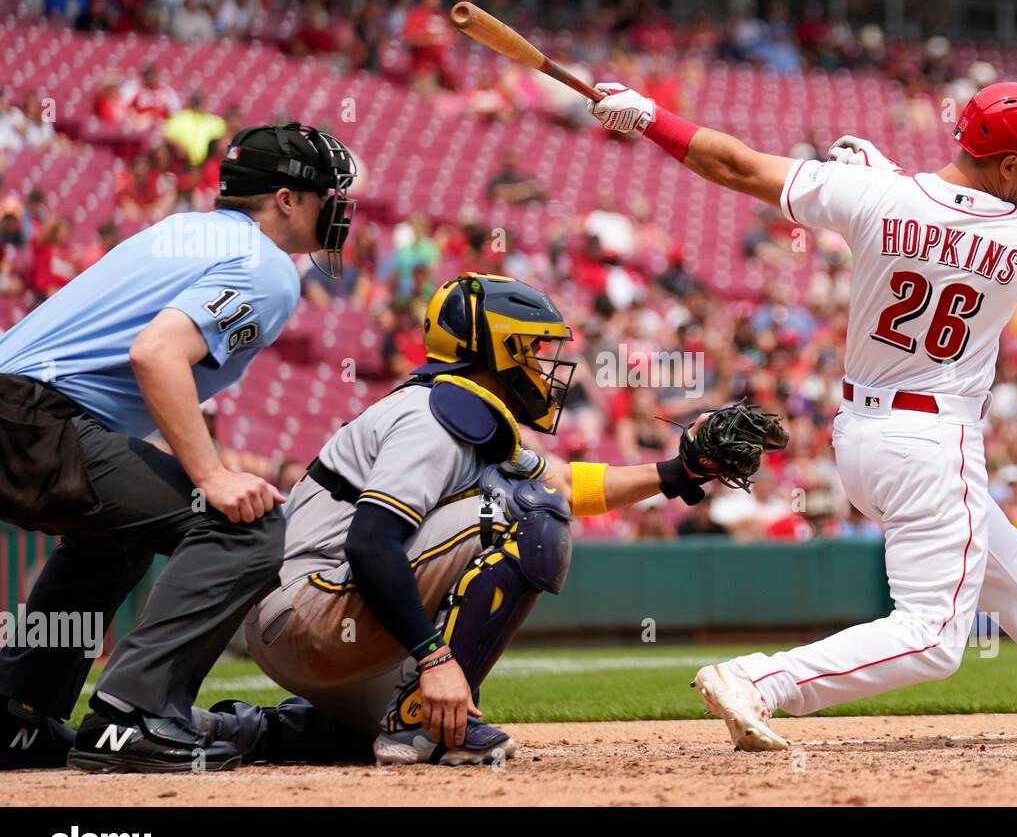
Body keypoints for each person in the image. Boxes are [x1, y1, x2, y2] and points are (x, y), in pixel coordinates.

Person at [587, 80, 1017, 750]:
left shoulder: (875, 197)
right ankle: (762, 680)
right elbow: (942, 217)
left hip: (862, 438)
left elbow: (739, 165)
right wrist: (881, 171)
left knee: (1008, 575)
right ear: (1008, 165)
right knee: (933, 639)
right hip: (933, 439)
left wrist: (651, 118)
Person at [192, 273, 783, 765]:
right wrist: (435, 659)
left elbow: (568, 485)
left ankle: (241, 730)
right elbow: (372, 542)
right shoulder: (433, 418)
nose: (545, 366)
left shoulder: (465, 412)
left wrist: (674, 474)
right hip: (311, 609)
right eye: (532, 348)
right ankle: (421, 715)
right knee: (530, 513)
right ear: (497, 350)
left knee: (357, 741)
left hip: (319, 624)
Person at [0, 122, 358, 773]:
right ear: (285, 199)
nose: (338, 207)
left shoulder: (183, 233)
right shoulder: (270, 267)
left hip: (23, 413)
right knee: (247, 527)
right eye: (327, 193)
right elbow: (156, 352)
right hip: (33, 421)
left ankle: (14, 714)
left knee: (117, 536)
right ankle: (131, 714)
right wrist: (212, 475)